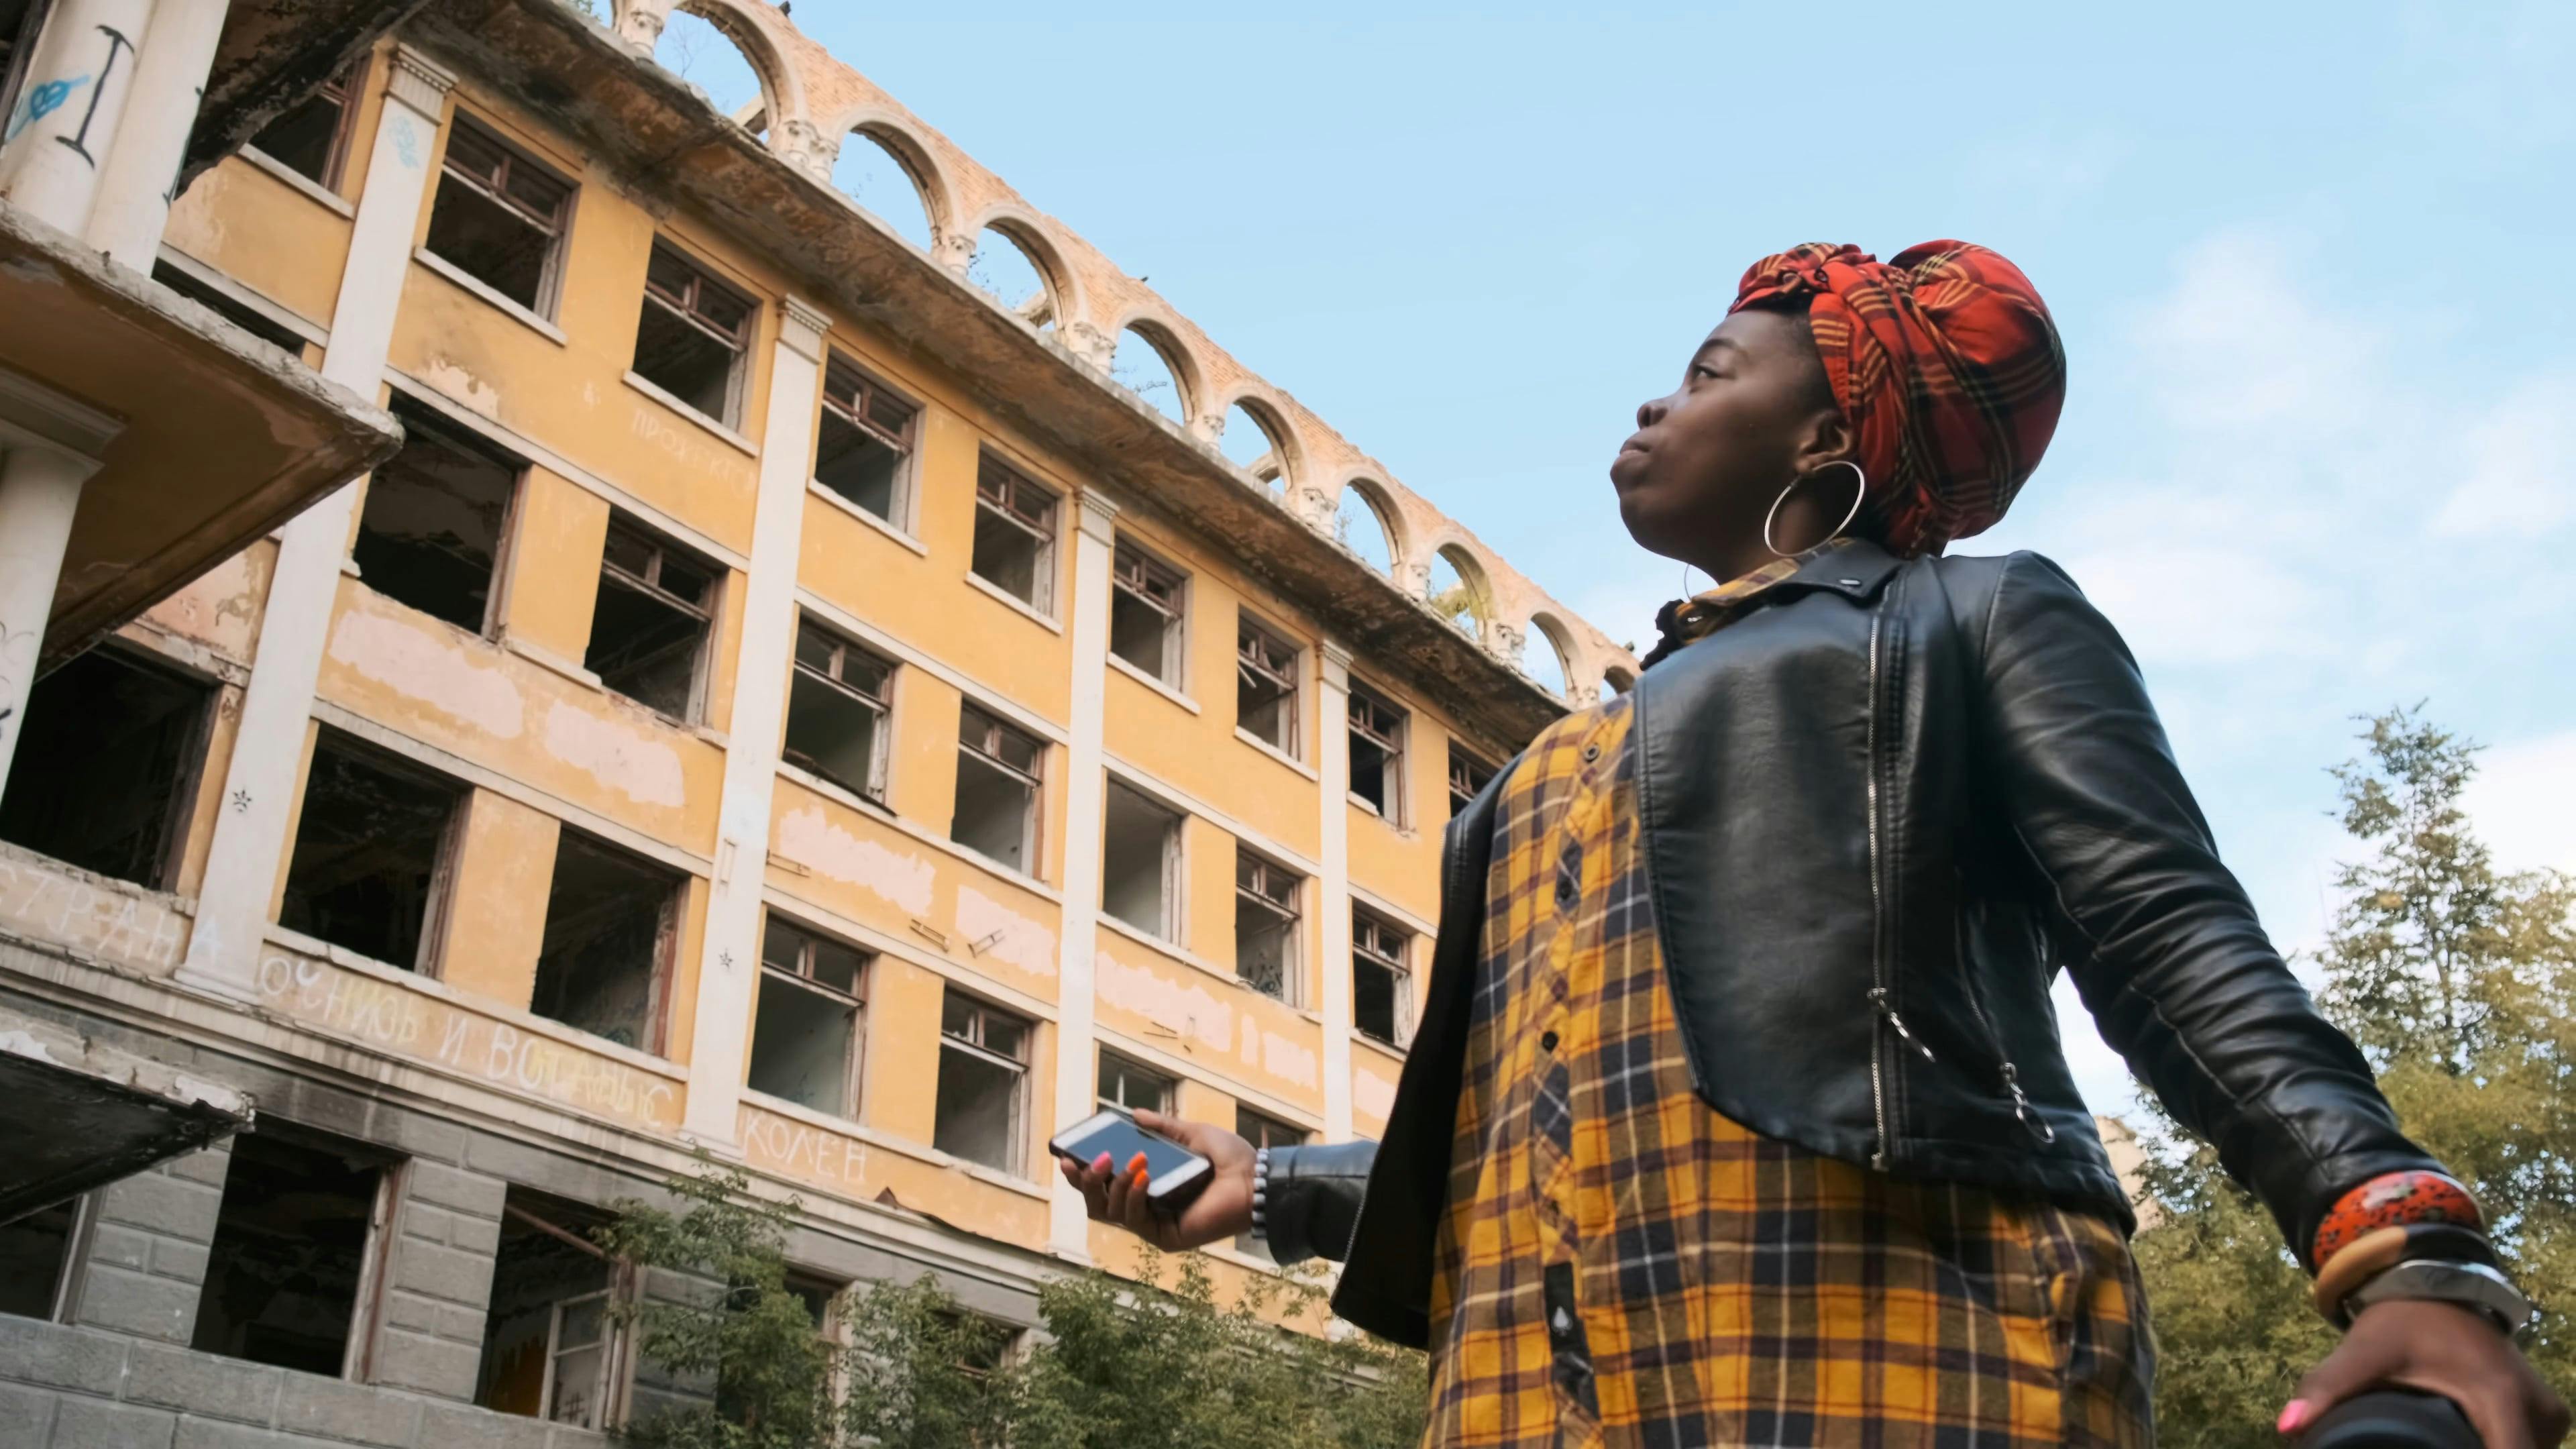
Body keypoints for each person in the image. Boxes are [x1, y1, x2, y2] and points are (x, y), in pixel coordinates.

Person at [1063, 241, 2565, 1449]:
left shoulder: (1972, 619)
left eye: (1709, 373)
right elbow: (1555, 1118)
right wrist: (1269, 1188)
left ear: (1830, 431)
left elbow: (2166, 938)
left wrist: (2406, 1248)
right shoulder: (1549, 766)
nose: (1653, 407)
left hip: (1904, 1346)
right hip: (1525, 1390)